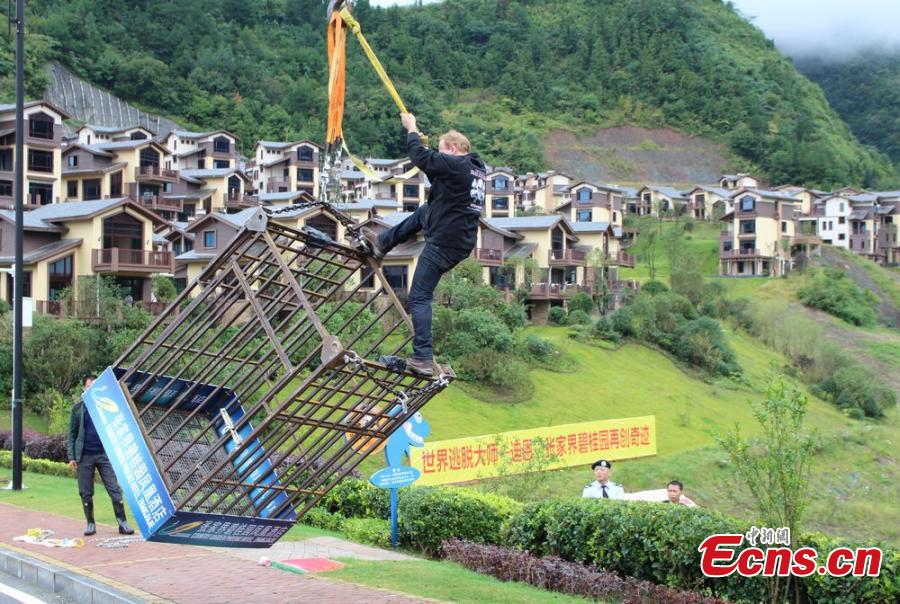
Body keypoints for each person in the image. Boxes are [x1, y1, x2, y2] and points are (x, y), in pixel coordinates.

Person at [361, 112, 486, 377]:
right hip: (458, 239)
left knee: (418, 296)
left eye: (442, 150)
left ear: (453, 149)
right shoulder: (475, 169)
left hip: (444, 242)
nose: (440, 155)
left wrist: (412, 128)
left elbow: (421, 159)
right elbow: (438, 174)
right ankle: (382, 243)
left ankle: (423, 358)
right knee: (423, 211)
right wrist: (430, 149)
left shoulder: (457, 165)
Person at [67, 376, 134, 536]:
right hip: (84, 456)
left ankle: (122, 523)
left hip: (104, 455)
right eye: (88, 386)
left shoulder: (107, 406)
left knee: (114, 489)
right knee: (85, 492)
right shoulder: (78, 409)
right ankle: (90, 524)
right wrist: (71, 456)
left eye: (94, 386)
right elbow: (71, 434)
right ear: (84, 389)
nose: (91, 389)